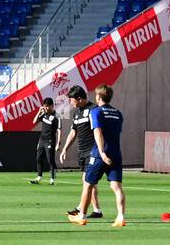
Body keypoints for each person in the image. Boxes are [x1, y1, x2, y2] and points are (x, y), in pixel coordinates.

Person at [68, 84, 125, 228]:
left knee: (87, 184)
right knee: (116, 187)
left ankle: (82, 216)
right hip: (116, 152)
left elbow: (98, 133)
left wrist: (102, 153)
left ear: (98, 97)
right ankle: (121, 217)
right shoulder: (118, 113)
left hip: (99, 154)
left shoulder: (96, 112)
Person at [59, 86, 102, 220]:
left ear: (79, 98)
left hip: (92, 151)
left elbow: (99, 130)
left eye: (71, 100)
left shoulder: (93, 110)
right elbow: (73, 131)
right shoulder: (77, 113)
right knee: (88, 181)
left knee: (87, 180)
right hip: (82, 151)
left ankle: (82, 209)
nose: (71, 102)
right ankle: (95, 210)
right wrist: (65, 148)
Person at [29, 98, 59, 185]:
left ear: (51, 106)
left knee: (50, 159)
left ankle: (52, 178)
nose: (46, 108)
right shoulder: (44, 114)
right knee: (38, 158)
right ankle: (39, 177)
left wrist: (58, 142)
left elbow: (59, 130)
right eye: (44, 106)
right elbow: (34, 121)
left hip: (50, 140)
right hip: (42, 140)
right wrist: (39, 111)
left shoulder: (55, 117)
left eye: (47, 107)